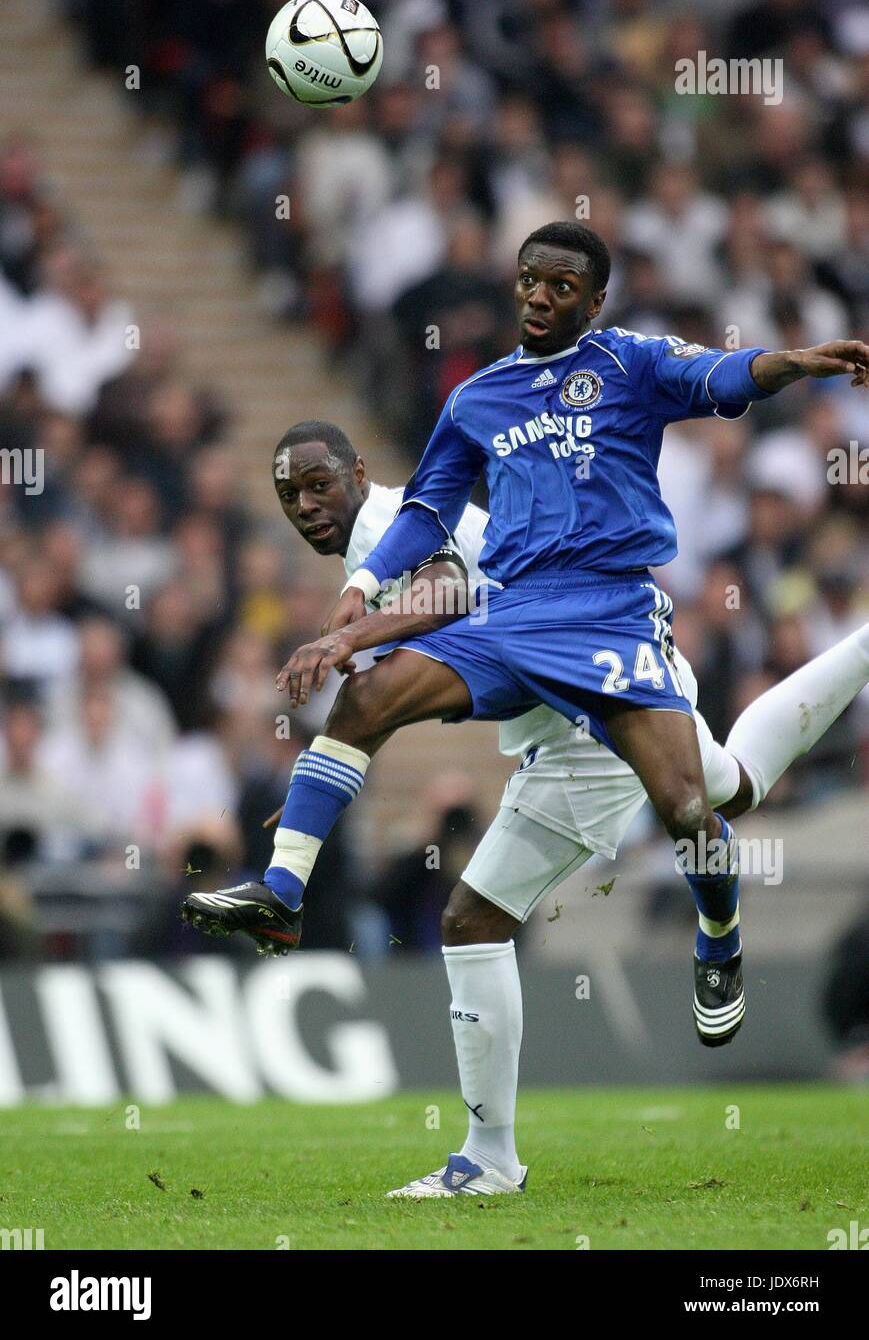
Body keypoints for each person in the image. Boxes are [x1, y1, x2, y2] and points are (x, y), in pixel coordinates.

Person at [184, 220, 868, 1189]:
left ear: (591, 302)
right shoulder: (474, 397)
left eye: (559, 285)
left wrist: (792, 364)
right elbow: (426, 509)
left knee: (699, 806)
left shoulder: (625, 363)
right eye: (526, 281)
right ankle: (289, 898)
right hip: (518, 630)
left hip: (610, 621)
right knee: (383, 727)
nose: (538, 296)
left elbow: (718, 378)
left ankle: (718, 927)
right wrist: (352, 605)